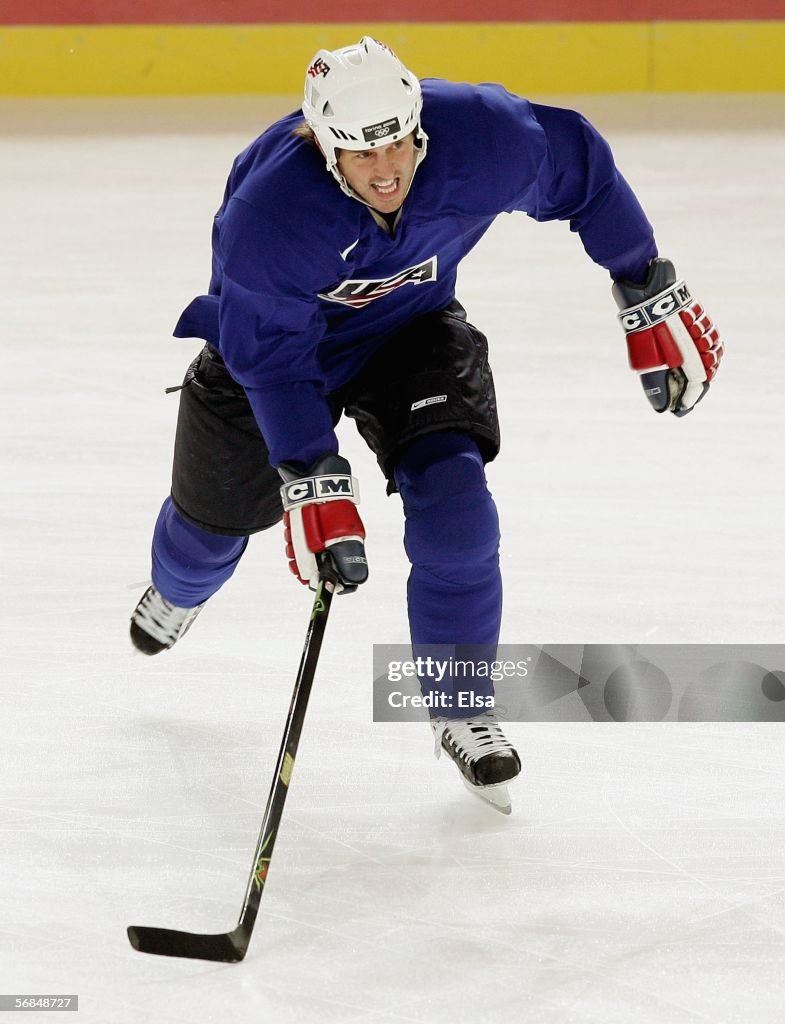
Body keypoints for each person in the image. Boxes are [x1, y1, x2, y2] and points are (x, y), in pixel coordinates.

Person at [130, 37, 723, 811]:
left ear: (418, 126)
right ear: (320, 145)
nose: (385, 170)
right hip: (269, 360)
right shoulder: (267, 216)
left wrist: (641, 279)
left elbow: (578, 166)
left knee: (457, 509)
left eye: (398, 143)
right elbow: (273, 358)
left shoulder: (483, 136)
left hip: (410, 333)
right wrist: (311, 473)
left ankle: (459, 700)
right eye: (357, 153)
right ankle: (178, 589)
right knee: (213, 528)